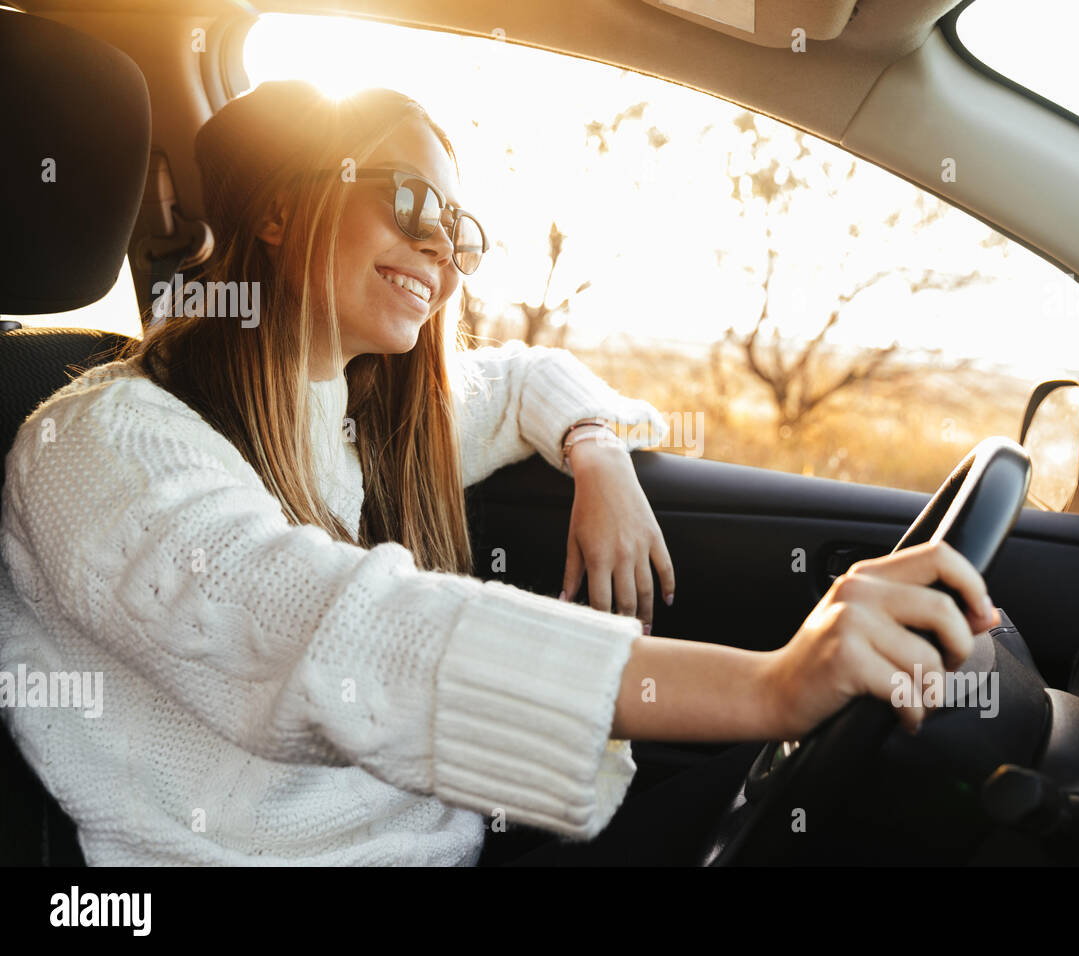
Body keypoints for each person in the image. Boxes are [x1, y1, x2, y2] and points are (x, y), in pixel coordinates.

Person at [0, 80, 999, 866]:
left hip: (448, 834)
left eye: (458, 227)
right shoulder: (99, 446)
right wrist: (772, 687)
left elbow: (525, 376)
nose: (440, 244)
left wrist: (597, 452)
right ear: (279, 208)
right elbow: (343, 634)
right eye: (408, 200)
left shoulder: (357, 403)